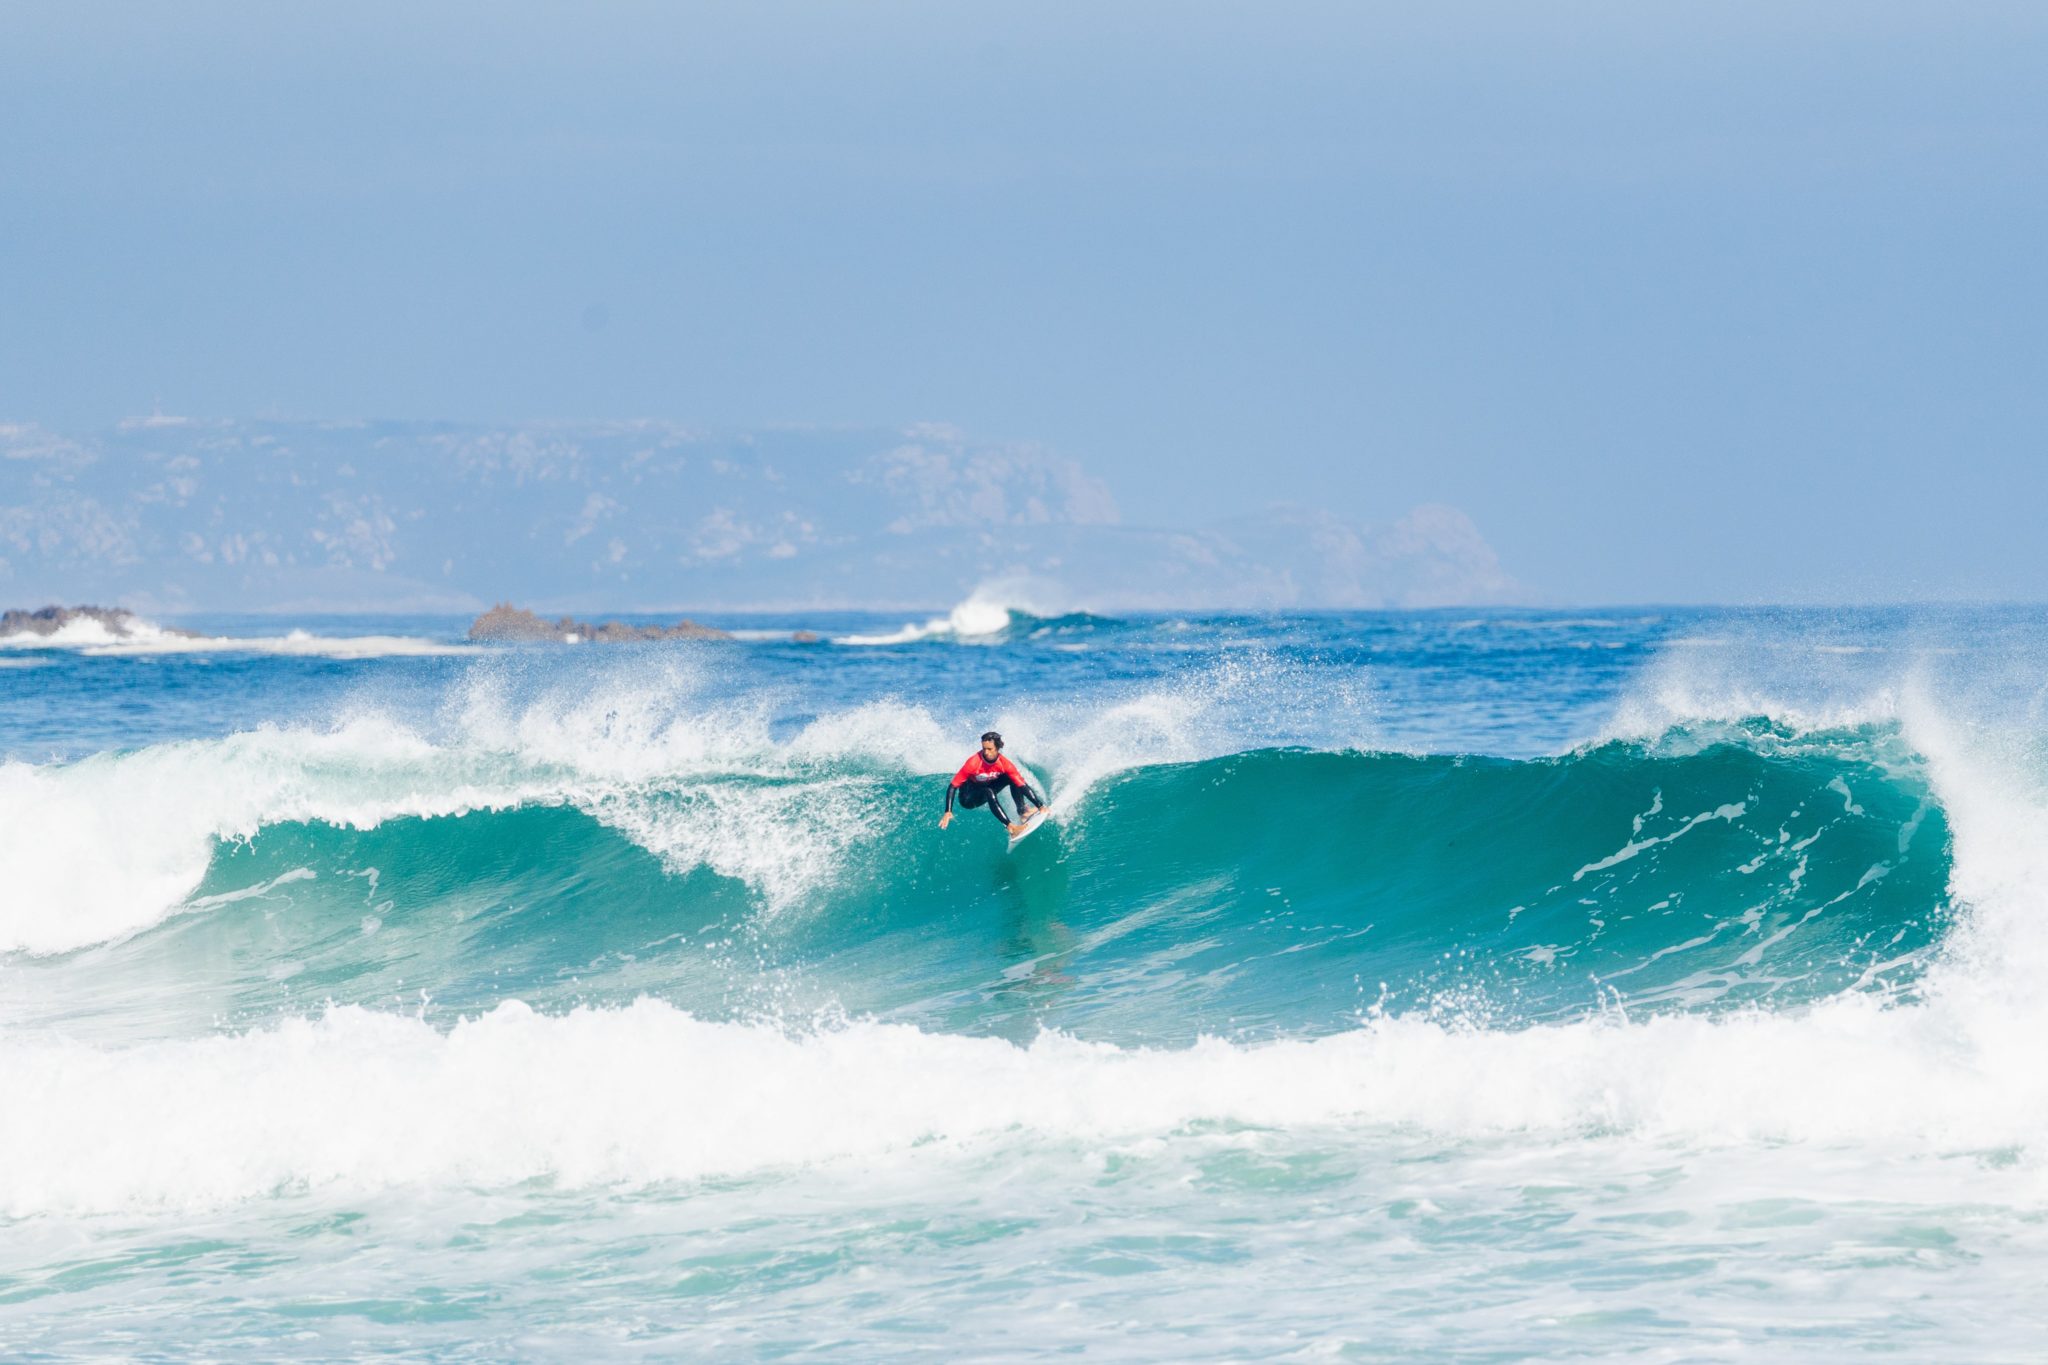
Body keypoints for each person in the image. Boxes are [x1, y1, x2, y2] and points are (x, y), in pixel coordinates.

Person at [938, 730, 1048, 836]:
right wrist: (948, 811)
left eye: (989, 749)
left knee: (1011, 778)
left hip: (986, 787)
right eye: (984, 748)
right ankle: (1011, 827)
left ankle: (1022, 811)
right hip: (968, 797)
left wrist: (1040, 806)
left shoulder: (1004, 764)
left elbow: (1021, 785)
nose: (986, 752)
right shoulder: (973, 763)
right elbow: (953, 786)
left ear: (997, 748)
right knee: (988, 791)